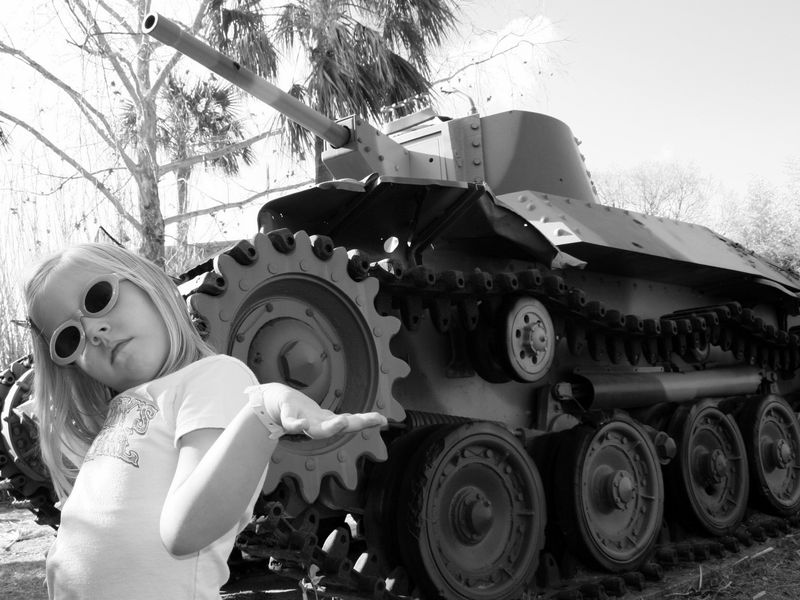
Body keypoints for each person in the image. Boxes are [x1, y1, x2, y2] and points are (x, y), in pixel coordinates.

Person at [24, 242, 388, 600]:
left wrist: (263, 412)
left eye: (98, 298)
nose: (93, 332)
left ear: (147, 284)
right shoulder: (122, 412)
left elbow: (188, 529)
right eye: (69, 338)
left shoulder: (211, 377)